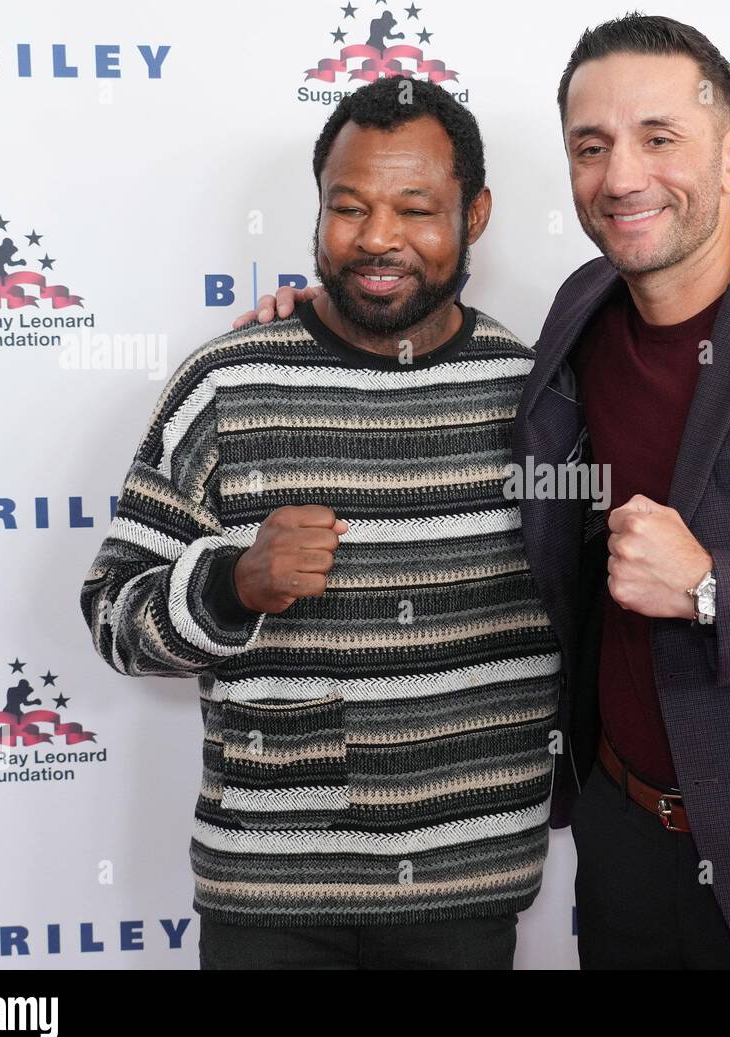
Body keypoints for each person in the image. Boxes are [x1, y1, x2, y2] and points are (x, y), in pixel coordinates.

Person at [237, 14, 730, 970]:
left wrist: (714, 586)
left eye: (659, 138)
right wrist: (333, 309)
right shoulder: (581, 313)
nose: (622, 176)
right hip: (625, 846)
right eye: (591, 147)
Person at [80, 76, 563, 970]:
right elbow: (112, 618)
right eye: (349, 207)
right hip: (271, 897)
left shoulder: (534, 397)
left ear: (476, 213)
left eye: (416, 208)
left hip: (466, 889)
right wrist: (231, 584)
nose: (377, 238)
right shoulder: (226, 385)